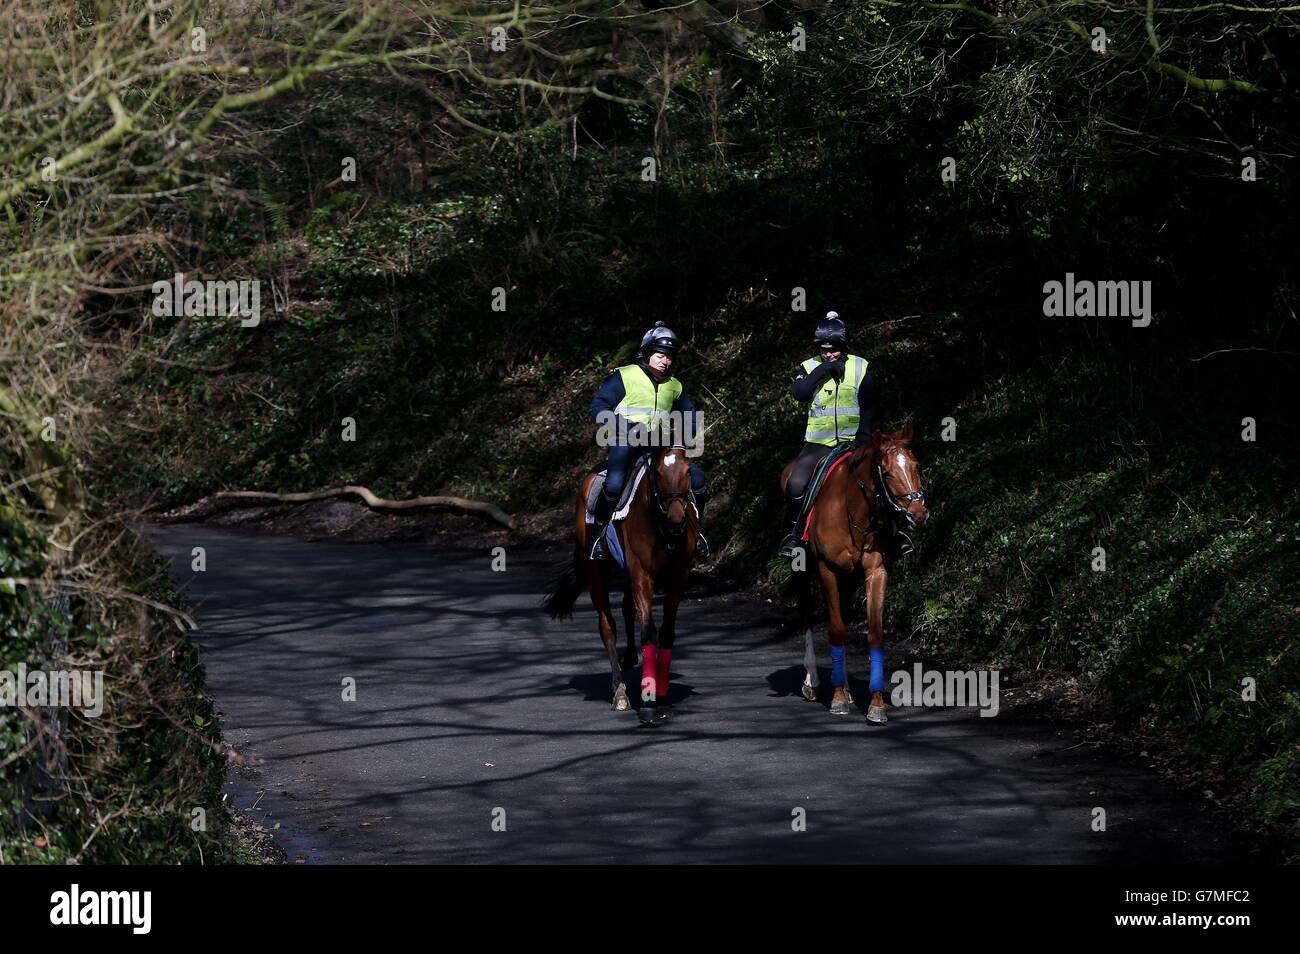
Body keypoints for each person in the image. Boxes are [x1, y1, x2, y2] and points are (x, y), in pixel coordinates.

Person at [588, 321, 709, 561]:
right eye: (660, 355)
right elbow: (598, 407)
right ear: (646, 352)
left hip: (660, 446)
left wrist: (689, 431)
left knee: (697, 479)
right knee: (613, 484)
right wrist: (626, 428)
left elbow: (690, 414)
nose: (666, 361)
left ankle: (697, 534)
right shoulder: (625, 376)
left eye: (670, 357)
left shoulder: (673, 385)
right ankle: (598, 537)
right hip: (626, 443)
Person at [778, 311, 876, 558]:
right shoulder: (809, 366)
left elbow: (870, 404)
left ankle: (896, 533)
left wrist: (863, 437)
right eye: (824, 350)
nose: (829, 354)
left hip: (854, 441)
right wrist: (824, 369)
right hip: (818, 443)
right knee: (796, 483)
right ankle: (793, 536)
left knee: (883, 478)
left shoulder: (860, 366)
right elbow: (799, 393)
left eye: (834, 350)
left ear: (844, 347)